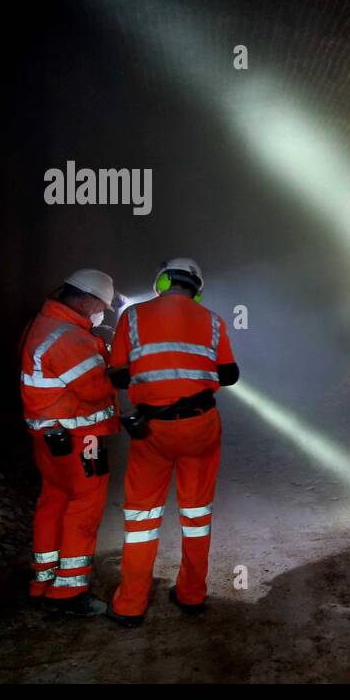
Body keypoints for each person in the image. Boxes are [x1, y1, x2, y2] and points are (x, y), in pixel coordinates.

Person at [105, 258, 239, 627]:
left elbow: (117, 376)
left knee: (142, 518)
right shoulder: (213, 321)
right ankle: (191, 594)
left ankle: (130, 604)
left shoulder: (132, 317)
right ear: (197, 287)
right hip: (201, 427)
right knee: (197, 515)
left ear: (162, 281)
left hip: (152, 430)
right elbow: (230, 374)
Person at [19, 269, 119, 615]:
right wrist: (114, 362)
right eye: (102, 306)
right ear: (88, 300)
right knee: (83, 509)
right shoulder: (70, 338)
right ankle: (68, 593)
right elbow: (96, 389)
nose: (102, 312)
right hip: (81, 440)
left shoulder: (43, 323)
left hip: (48, 439)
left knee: (53, 503)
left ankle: (42, 581)